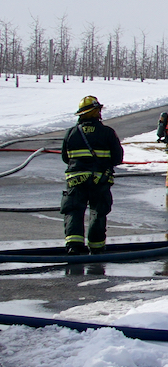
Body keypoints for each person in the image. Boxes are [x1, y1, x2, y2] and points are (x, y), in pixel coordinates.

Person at [60, 96, 124, 255]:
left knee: (74, 210)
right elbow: (117, 158)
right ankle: (96, 247)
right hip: (99, 180)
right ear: (96, 111)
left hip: (76, 180)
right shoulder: (107, 133)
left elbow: (65, 158)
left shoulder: (71, 133)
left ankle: (74, 246)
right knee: (98, 211)